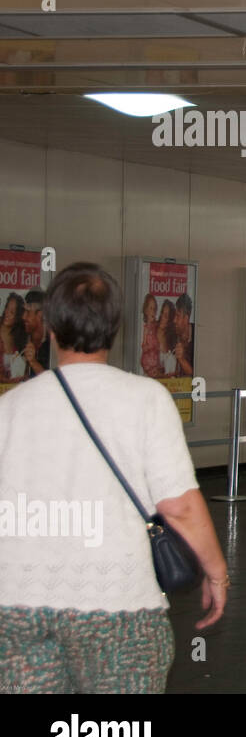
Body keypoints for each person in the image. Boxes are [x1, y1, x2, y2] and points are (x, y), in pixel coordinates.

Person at [0, 263, 228, 693]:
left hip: (16, 604)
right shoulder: (145, 399)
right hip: (116, 604)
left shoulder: (10, 407)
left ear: (48, 325)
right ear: (114, 326)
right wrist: (216, 573)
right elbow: (177, 506)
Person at [21, 290, 50, 381]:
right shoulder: (24, 338)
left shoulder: (52, 346)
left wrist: (33, 362)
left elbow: (52, 382)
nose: (23, 317)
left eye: (28, 312)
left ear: (39, 315)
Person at [1, 293, 27, 383]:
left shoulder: (19, 339)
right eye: (7, 308)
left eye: (12, 312)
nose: (7, 313)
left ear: (17, 318)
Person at [174, 293, 194, 378]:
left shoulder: (199, 337)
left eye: (178, 316)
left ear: (186, 318)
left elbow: (199, 375)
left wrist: (181, 359)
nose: (174, 320)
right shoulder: (173, 334)